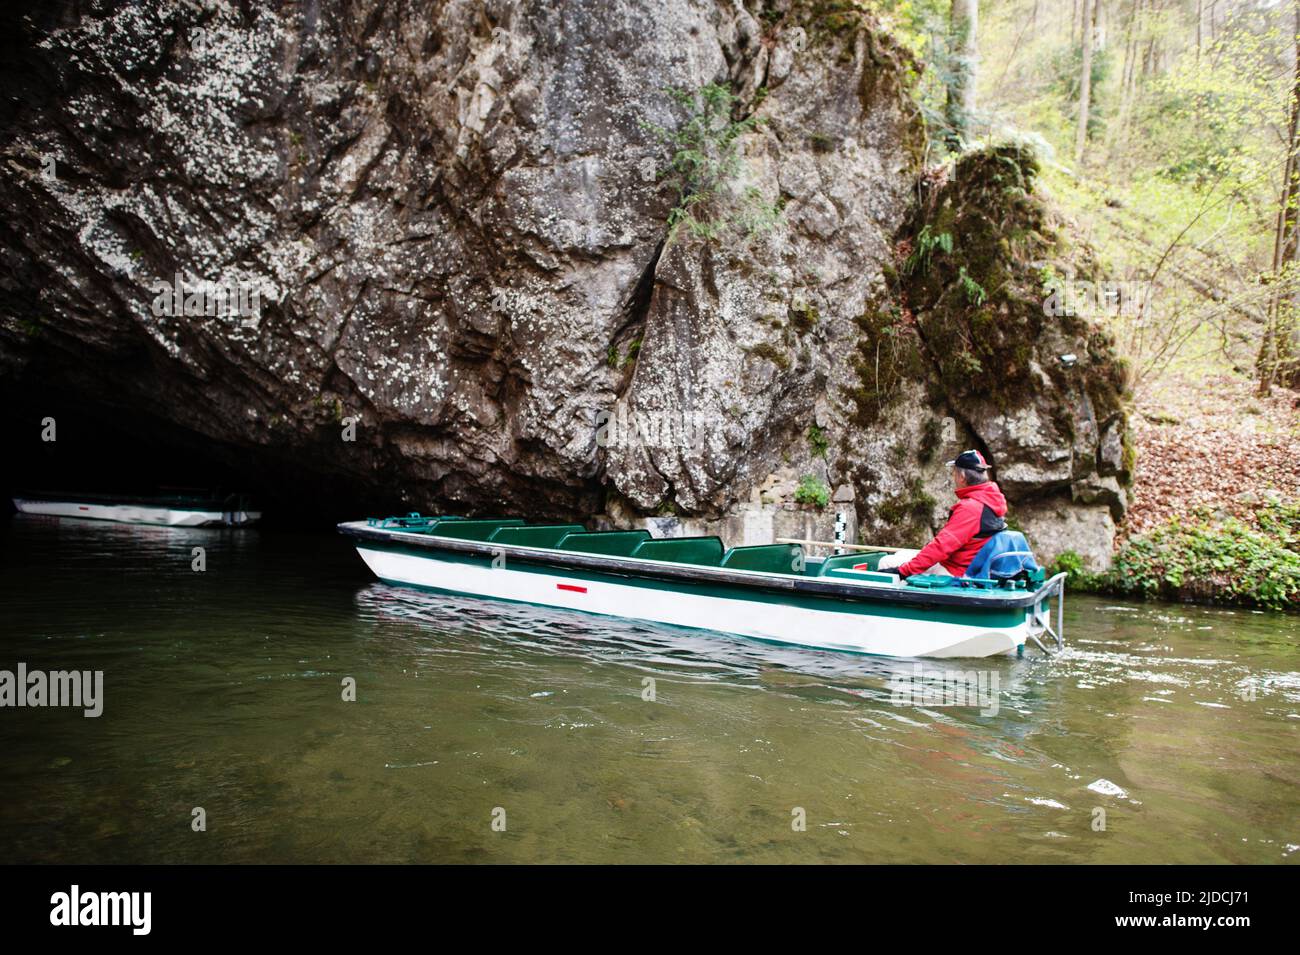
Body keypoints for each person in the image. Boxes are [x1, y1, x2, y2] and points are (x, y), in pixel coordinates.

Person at [877, 450, 1007, 578]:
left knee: (887, 562)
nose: (953, 477)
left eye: (954, 473)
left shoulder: (971, 508)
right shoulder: (992, 499)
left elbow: (941, 547)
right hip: (968, 565)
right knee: (902, 553)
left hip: (956, 571)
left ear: (962, 477)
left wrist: (903, 571)